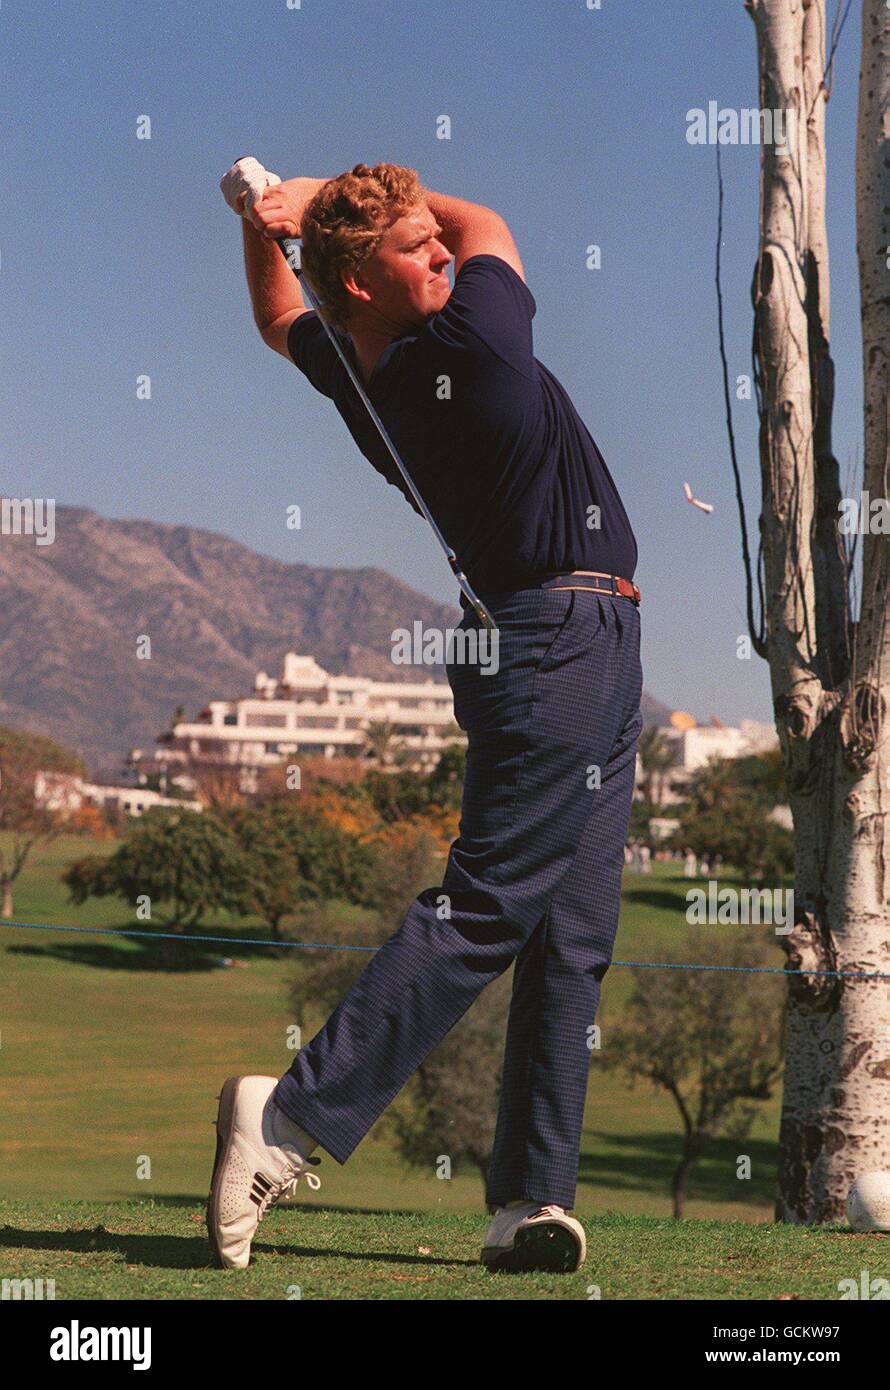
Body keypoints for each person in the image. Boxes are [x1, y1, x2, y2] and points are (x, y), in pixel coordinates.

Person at [207, 158, 643, 1275]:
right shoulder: (472, 349)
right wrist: (315, 190)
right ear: (364, 284)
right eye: (414, 246)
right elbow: (489, 214)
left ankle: (527, 1202)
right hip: (560, 635)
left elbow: (275, 318)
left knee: (568, 936)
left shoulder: (367, 374)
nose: (442, 251)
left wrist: (268, 227)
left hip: (553, 640)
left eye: (431, 242)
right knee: (491, 904)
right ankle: (289, 1116)